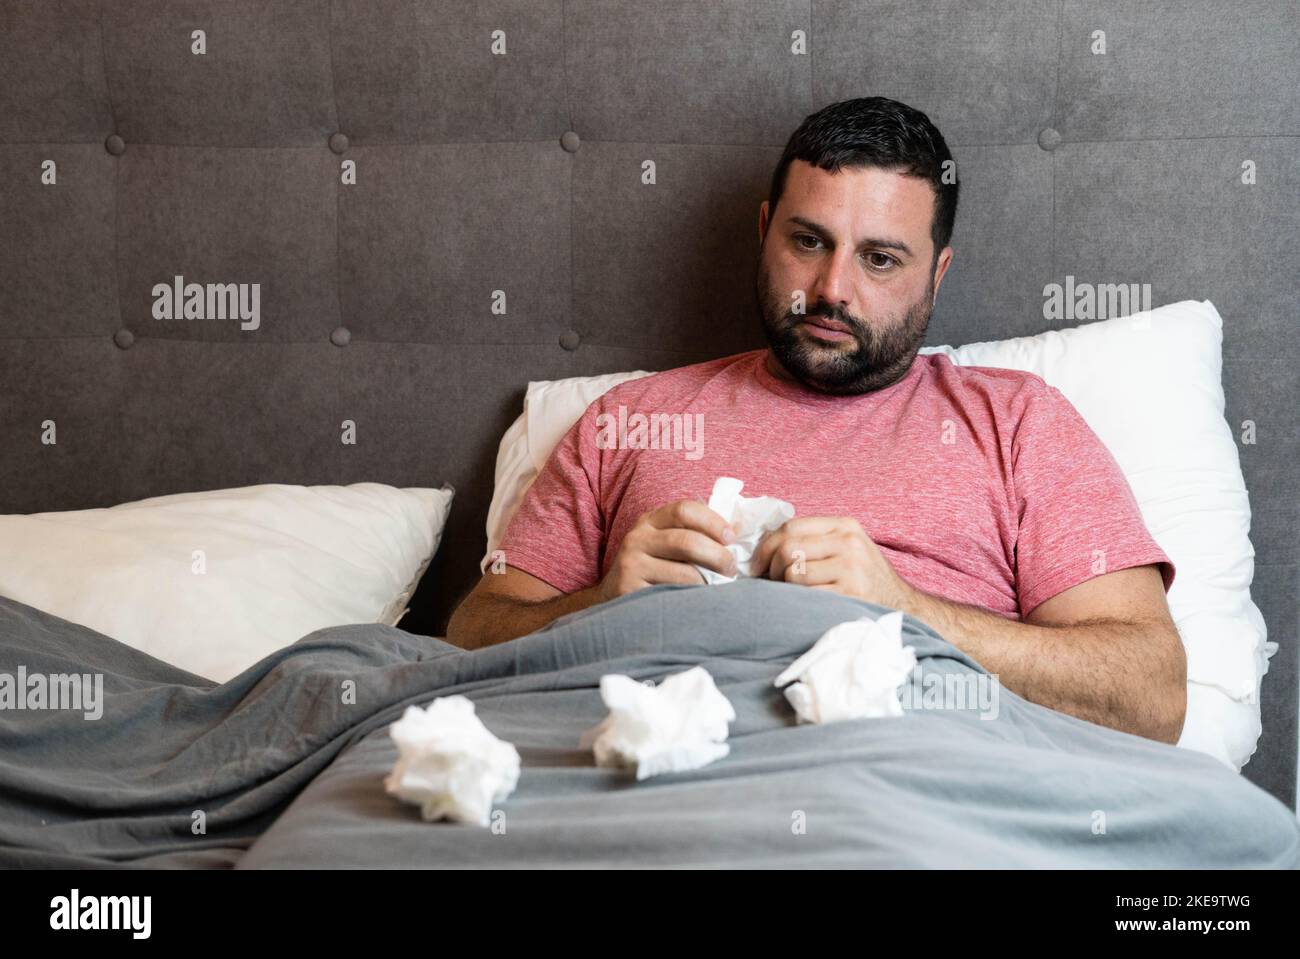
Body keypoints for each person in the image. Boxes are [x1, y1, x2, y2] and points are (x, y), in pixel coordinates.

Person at [447, 97, 1185, 744]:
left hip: (909, 781)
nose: (832, 289)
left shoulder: (1019, 424)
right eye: (808, 242)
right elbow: (472, 635)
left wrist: (905, 610)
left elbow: (1151, 696)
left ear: (938, 272)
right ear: (765, 231)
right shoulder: (633, 420)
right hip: (649, 772)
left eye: (881, 259)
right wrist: (601, 607)